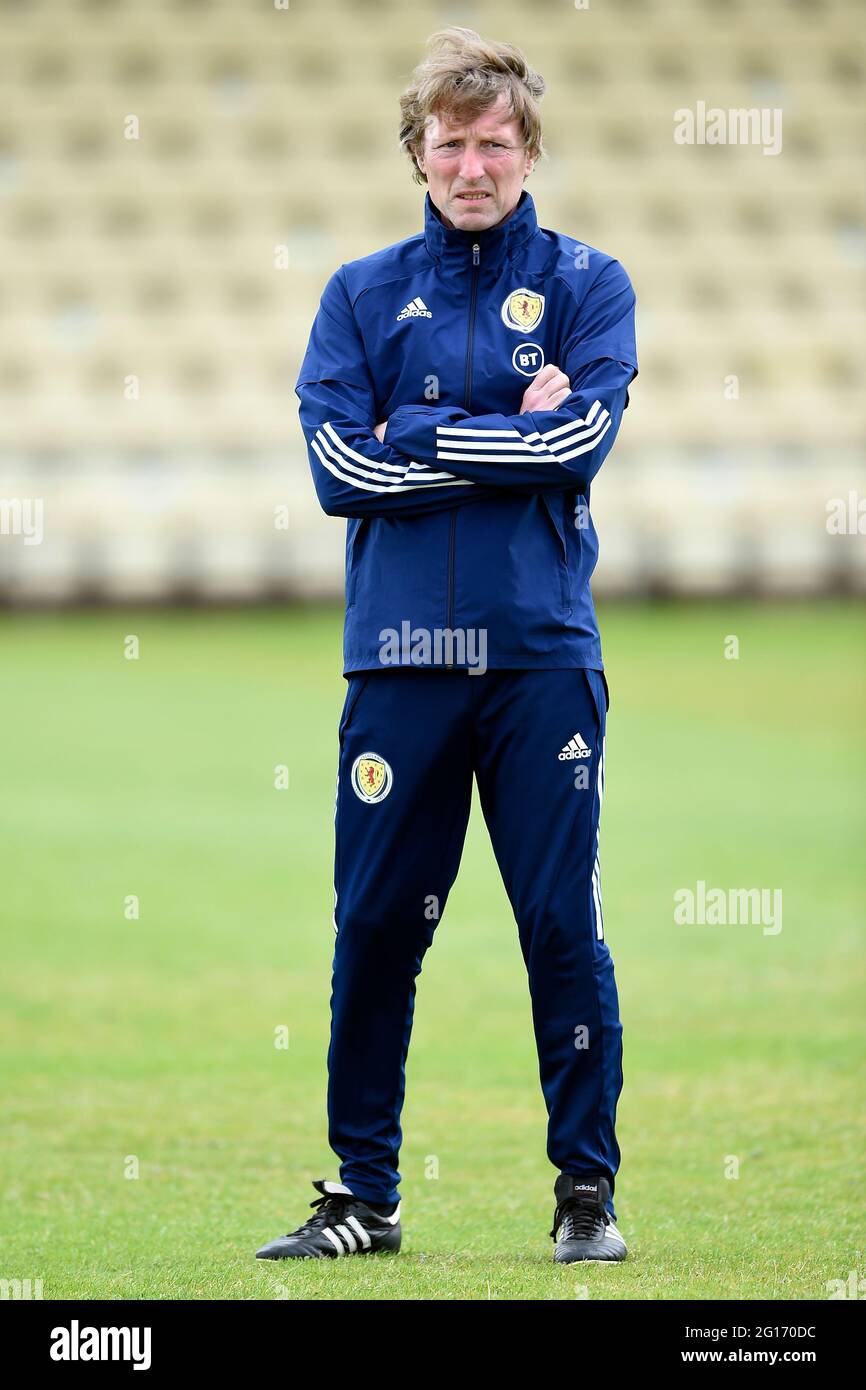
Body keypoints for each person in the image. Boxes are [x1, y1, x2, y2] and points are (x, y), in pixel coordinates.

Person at [256, 25, 638, 1265]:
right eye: (448, 142)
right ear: (415, 152)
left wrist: (417, 430)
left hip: (537, 658)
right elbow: (334, 469)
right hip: (399, 661)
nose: (470, 164)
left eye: (492, 143)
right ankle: (363, 1195)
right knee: (372, 925)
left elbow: (574, 446)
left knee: (556, 925)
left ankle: (584, 1193)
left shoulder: (589, 282)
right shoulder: (359, 295)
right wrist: (492, 430)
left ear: (527, 150)